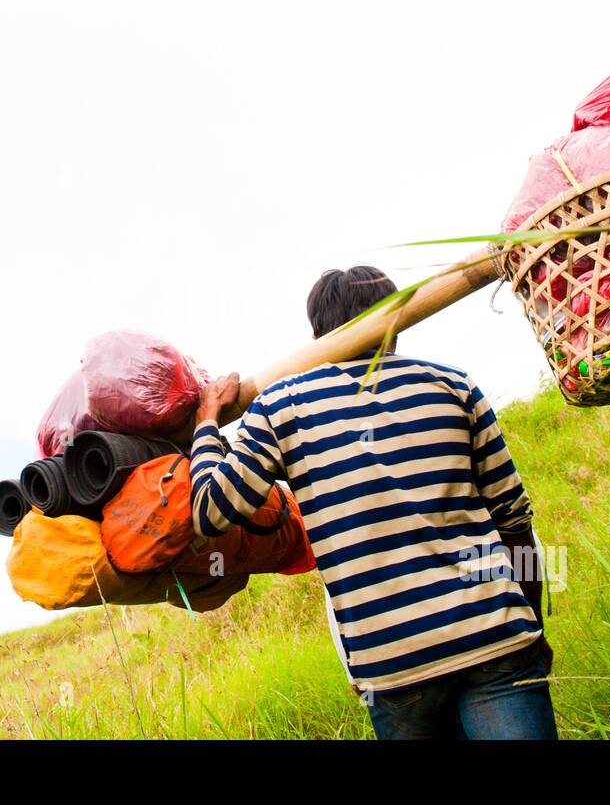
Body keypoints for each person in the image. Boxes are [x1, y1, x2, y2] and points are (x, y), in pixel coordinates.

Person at [189, 265, 556, 740]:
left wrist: (206, 424)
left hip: (394, 667)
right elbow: (514, 523)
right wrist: (534, 623)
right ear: (397, 322)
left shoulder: (280, 408)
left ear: (317, 334)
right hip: (497, 639)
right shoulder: (454, 386)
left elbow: (210, 512)